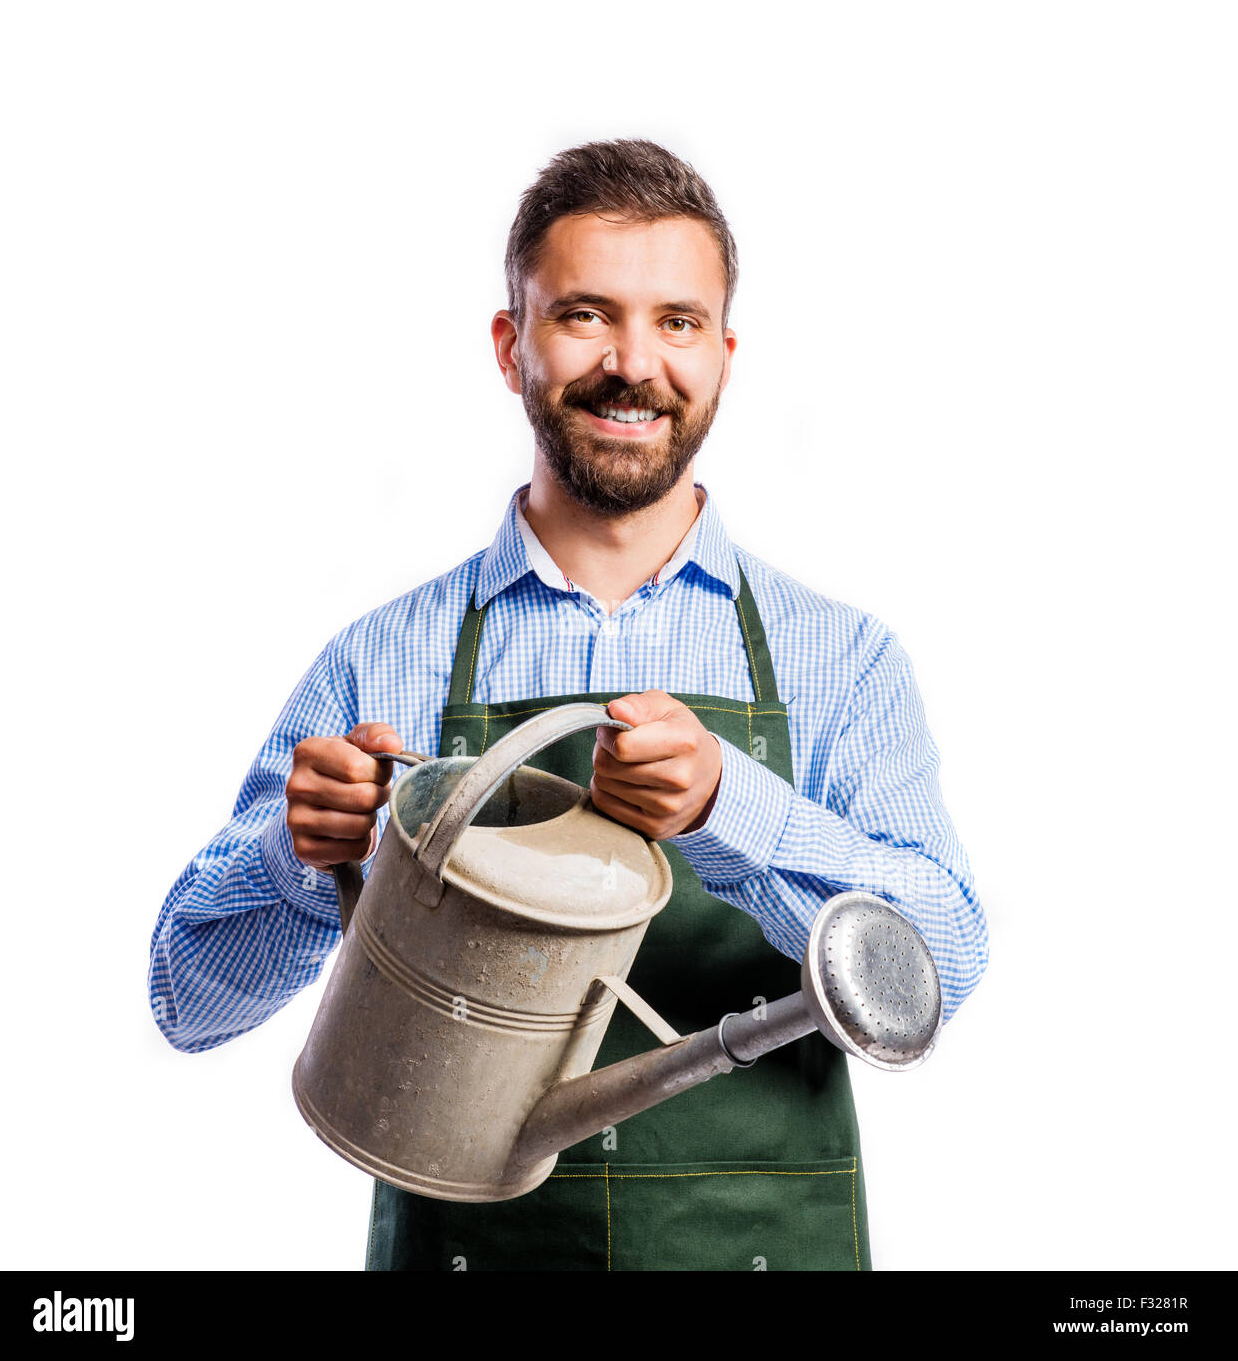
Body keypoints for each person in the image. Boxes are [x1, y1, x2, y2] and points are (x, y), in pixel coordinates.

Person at [149, 137, 989, 1271]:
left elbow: (939, 969)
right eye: (584, 315)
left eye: (677, 322)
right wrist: (301, 860)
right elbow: (183, 1002)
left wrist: (732, 808)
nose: (632, 362)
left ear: (725, 354)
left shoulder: (837, 660)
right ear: (512, 345)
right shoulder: (387, 657)